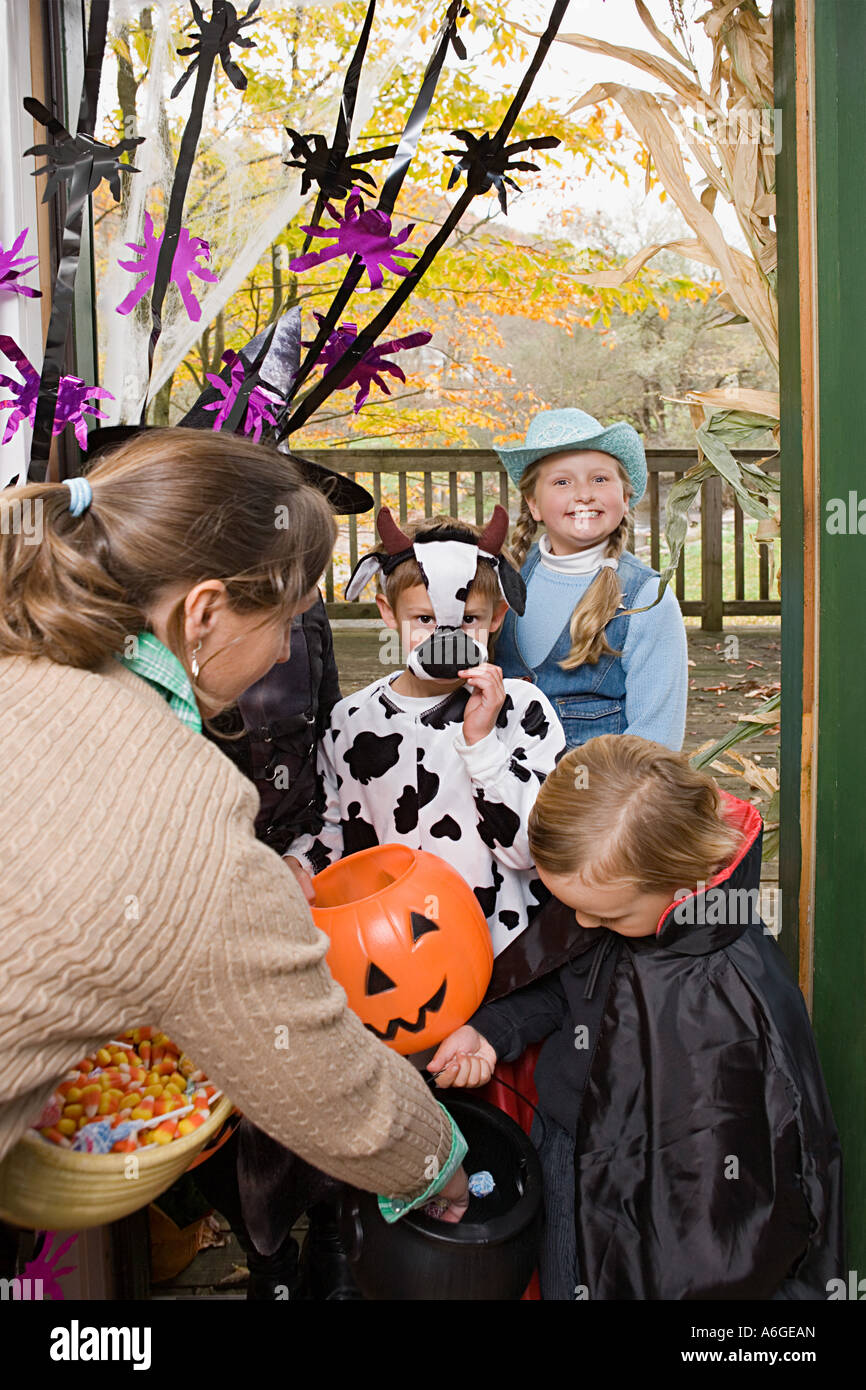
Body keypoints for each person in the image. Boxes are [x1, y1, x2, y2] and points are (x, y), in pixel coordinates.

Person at [0, 428, 470, 1245]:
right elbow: (316, 1073)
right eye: (288, 620)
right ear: (206, 610)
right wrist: (434, 1158)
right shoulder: (176, 799)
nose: (291, 649)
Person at [431, 736, 845, 1300]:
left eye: (604, 914)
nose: (580, 921)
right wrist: (492, 1032)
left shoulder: (732, 983)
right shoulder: (609, 899)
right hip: (562, 1151)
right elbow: (557, 989)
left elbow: (752, 1155)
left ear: (681, 882)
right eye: (568, 906)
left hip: (663, 1189)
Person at [285, 509, 566, 955]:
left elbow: (530, 850)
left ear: (496, 617)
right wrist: (298, 862)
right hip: (390, 948)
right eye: (426, 620)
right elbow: (334, 829)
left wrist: (482, 743)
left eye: (468, 620)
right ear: (389, 614)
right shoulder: (349, 721)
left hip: (499, 944)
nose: (446, 638)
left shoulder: (521, 709)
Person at [493, 408, 688, 750]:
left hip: (594, 799)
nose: (584, 494)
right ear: (533, 504)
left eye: (600, 479)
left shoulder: (646, 599)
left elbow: (657, 741)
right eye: (562, 482)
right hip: (494, 790)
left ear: (625, 499)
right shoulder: (501, 579)